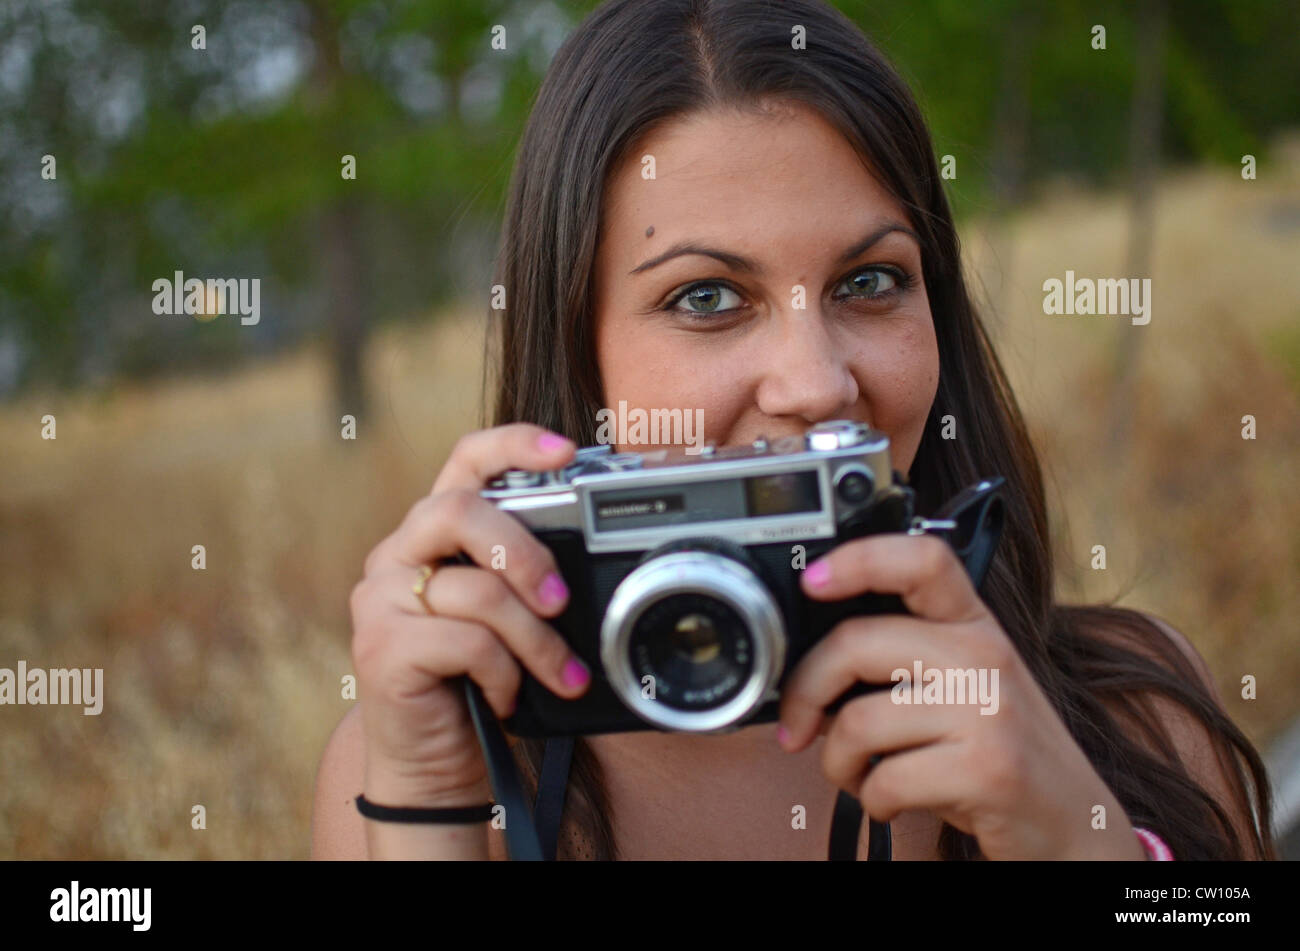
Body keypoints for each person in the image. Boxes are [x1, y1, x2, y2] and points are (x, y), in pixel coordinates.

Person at [311, 0, 1274, 861]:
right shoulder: (430, 760)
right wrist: (428, 822)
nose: (817, 384)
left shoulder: (1134, 717)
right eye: (707, 296)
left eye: (869, 281)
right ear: (578, 353)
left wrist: (1079, 844)